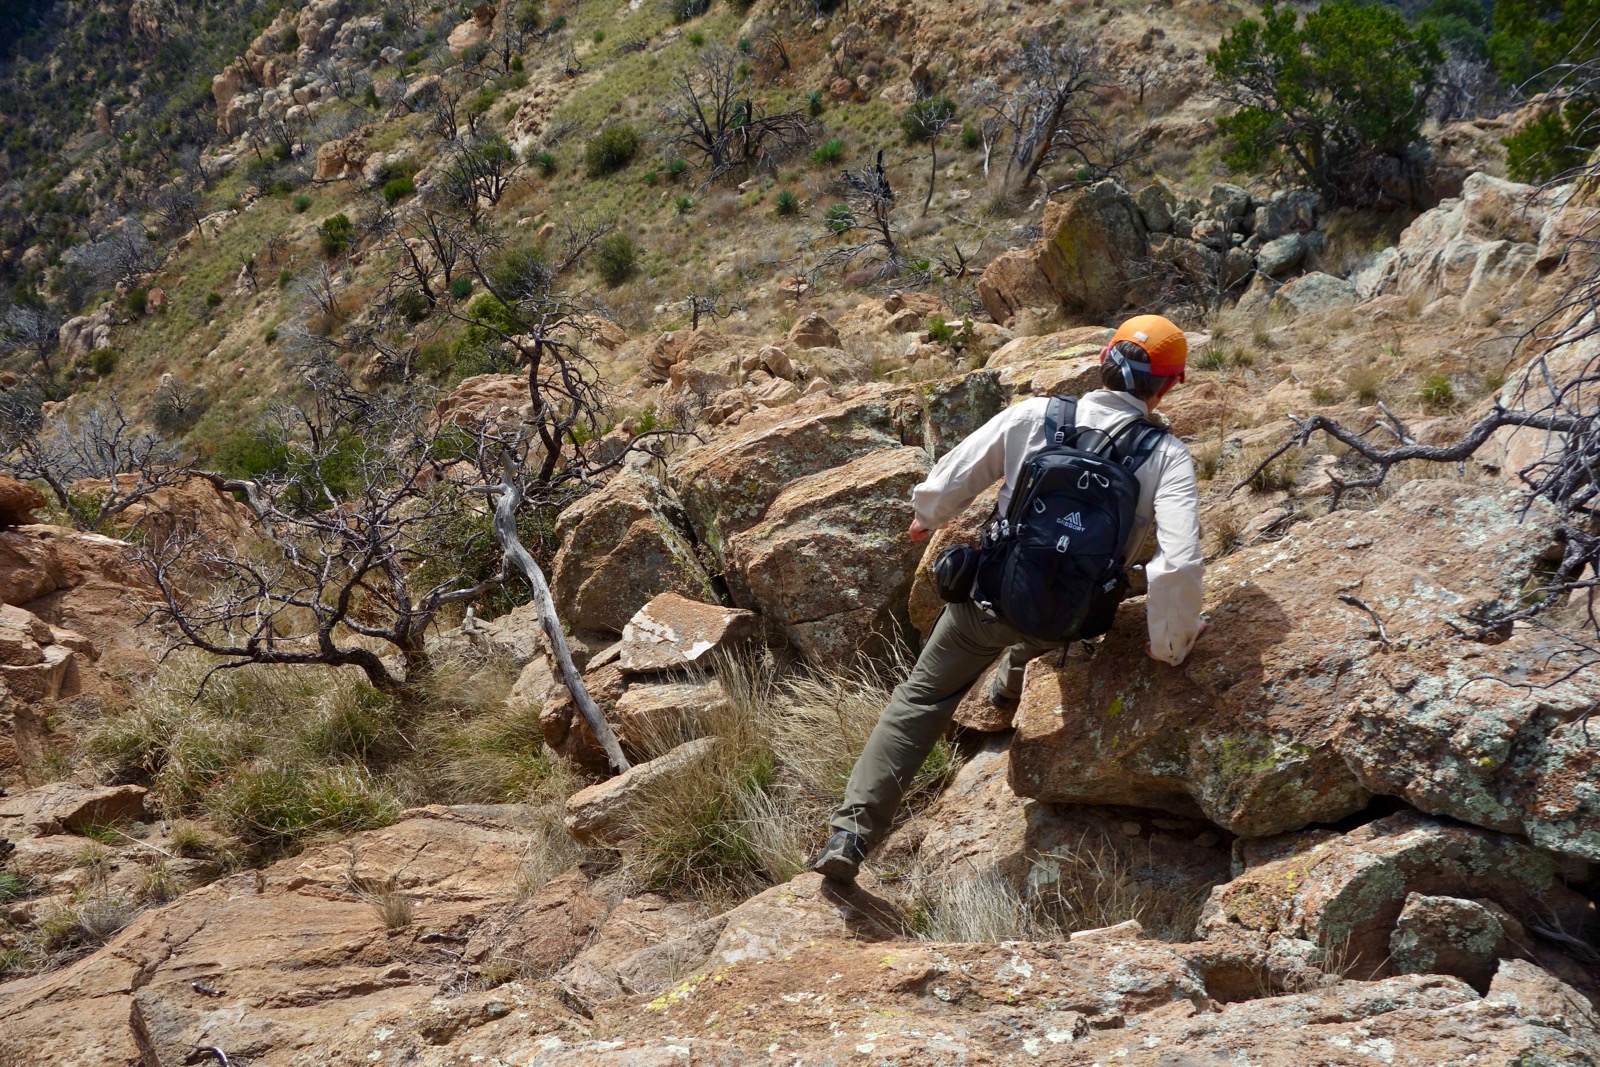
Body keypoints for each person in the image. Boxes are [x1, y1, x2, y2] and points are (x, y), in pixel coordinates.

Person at [811, 314, 1206, 884]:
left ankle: (851, 835)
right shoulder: (1167, 456)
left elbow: (957, 475)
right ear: (1170, 385)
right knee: (1051, 616)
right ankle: (1016, 673)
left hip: (986, 602)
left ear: (1103, 358)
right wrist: (1169, 644)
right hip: (1068, 622)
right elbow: (1180, 560)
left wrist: (927, 515)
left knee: (921, 701)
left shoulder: (1036, 415)